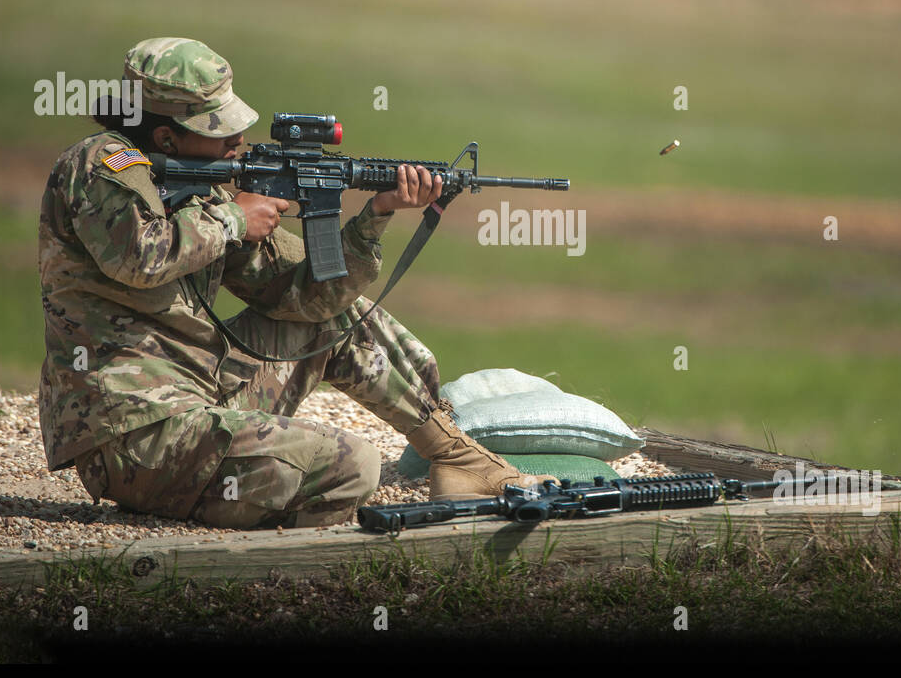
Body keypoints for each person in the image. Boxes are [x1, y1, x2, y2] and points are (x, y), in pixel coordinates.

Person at [37, 36, 548, 528]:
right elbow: (138, 258)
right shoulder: (100, 163)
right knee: (353, 467)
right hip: (136, 431)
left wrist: (376, 215)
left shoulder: (201, 188)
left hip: (198, 397)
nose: (237, 141)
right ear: (167, 137)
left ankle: (459, 460)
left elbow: (307, 298)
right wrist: (234, 220)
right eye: (220, 129)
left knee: (340, 318)